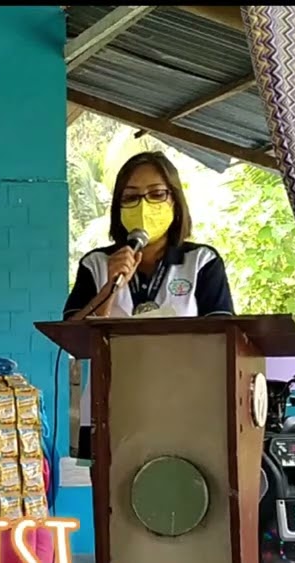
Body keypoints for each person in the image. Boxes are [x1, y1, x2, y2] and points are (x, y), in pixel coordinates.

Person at [62, 151, 236, 459]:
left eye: (156, 194)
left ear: (175, 201)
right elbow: (74, 338)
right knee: (110, 501)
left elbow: (223, 338)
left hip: (184, 406)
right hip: (111, 405)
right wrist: (110, 286)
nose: (143, 206)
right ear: (118, 207)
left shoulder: (201, 262)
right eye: (130, 197)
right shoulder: (97, 264)